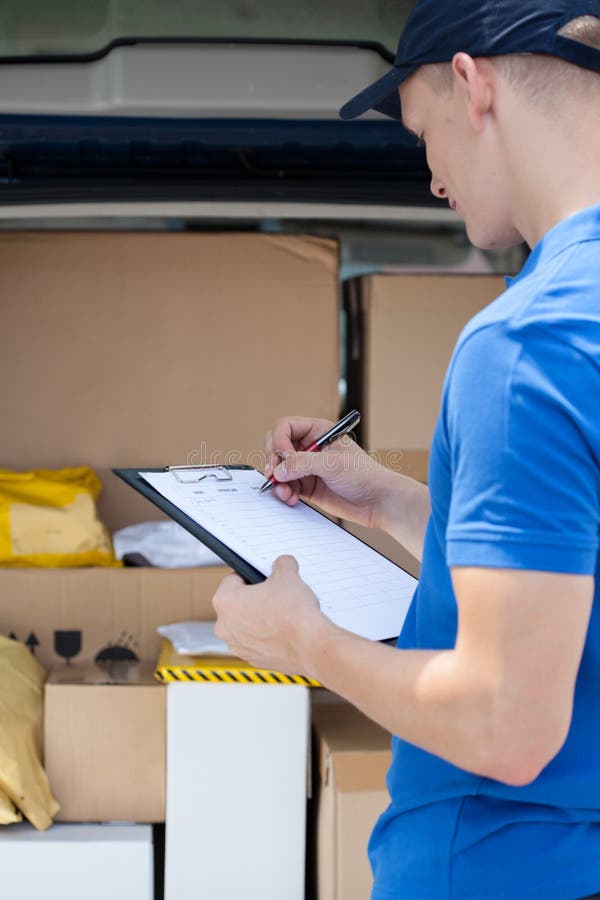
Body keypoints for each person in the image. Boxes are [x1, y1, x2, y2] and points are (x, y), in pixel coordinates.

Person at [213, 0, 600, 896]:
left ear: (472, 86)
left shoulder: (525, 345)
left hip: (501, 865)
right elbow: (562, 576)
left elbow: (505, 726)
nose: (431, 178)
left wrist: (302, 641)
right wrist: (384, 498)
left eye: (423, 132)